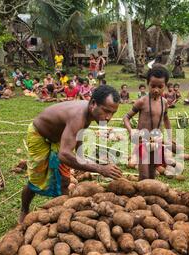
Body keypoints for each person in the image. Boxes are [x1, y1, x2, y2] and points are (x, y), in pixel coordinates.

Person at [20, 85, 122, 221]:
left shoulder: (89, 114)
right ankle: (24, 209)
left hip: (59, 138)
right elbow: (64, 154)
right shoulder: (78, 116)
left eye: (112, 113)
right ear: (93, 104)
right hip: (39, 135)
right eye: (106, 111)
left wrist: (81, 157)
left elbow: (78, 134)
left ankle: (61, 213)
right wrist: (99, 168)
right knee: (35, 180)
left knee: (64, 179)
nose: (109, 117)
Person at [123, 65, 172, 180]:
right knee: (144, 174)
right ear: (147, 84)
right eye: (153, 86)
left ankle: (149, 195)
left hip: (157, 141)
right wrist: (131, 131)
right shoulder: (142, 101)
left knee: (152, 173)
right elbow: (126, 117)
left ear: (165, 86)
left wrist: (169, 137)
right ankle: (141, 194)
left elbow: (166, 119)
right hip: (142, 141)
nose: (156, 90)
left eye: (160, 87)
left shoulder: (164, 102)